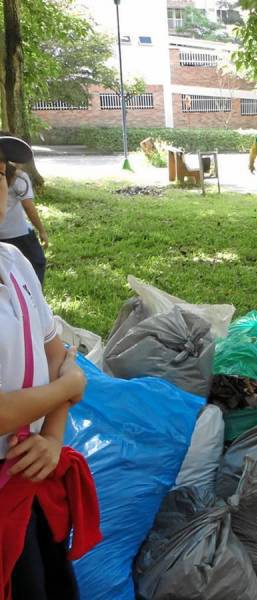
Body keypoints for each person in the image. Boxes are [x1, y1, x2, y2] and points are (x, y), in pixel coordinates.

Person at [0, 135, 100, 600]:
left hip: (33, 469)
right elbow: (67, 376)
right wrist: (69, 387)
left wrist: (52, 439)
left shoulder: (15, 263)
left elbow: (57, 355)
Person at [1, 164, 48, 286]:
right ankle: (32, 299)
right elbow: (28, 206)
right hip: (19, 234)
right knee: (36, 264)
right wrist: (41, 230)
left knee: (6, 272)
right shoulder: (19, 177)